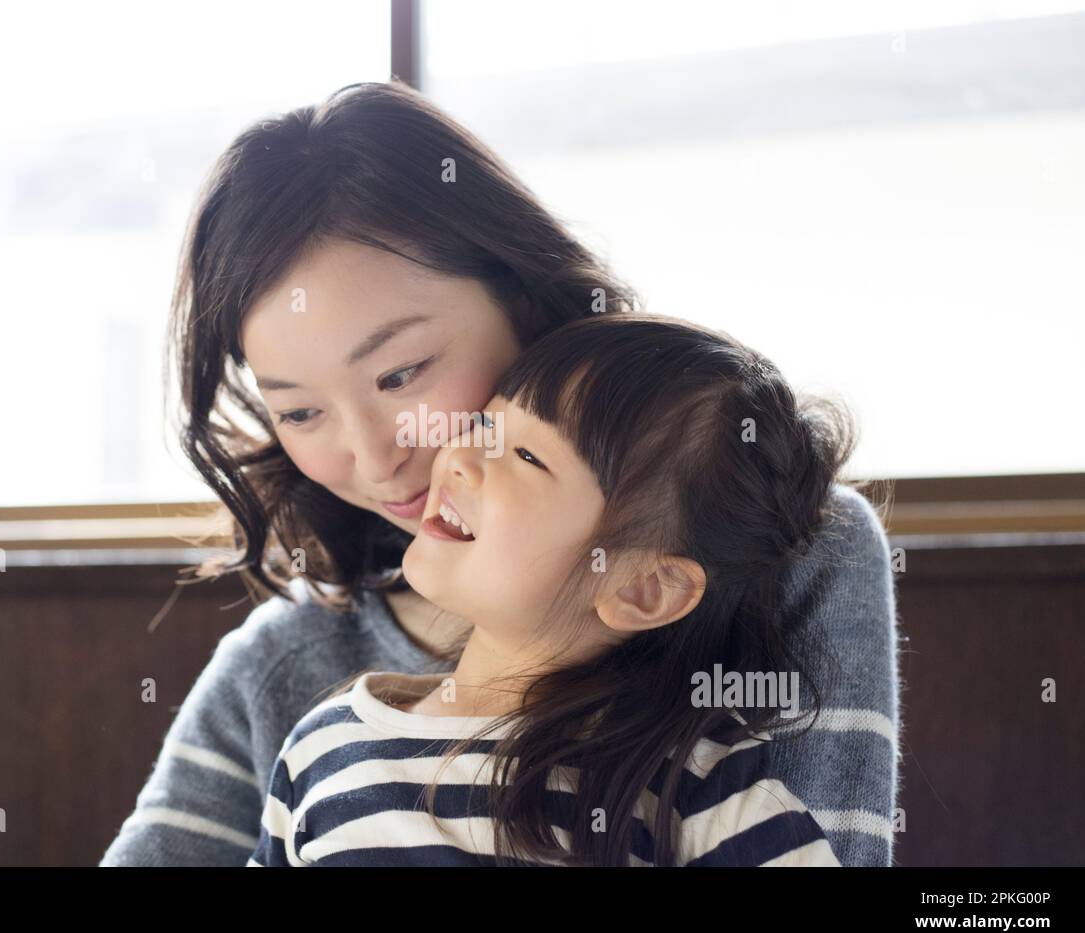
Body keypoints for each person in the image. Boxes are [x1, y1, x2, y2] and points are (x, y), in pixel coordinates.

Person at [100, 80, 900, 867]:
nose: (377, 457)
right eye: (301, 413)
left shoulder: (791, 559)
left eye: (401, 374)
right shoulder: (284, 673)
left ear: (522, 301)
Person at [246, 314, 848, 866]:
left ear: (644, 588)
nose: (458, 458)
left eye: (527, 456)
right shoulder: (324, 748)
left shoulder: (691, 792)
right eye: (484, 424)